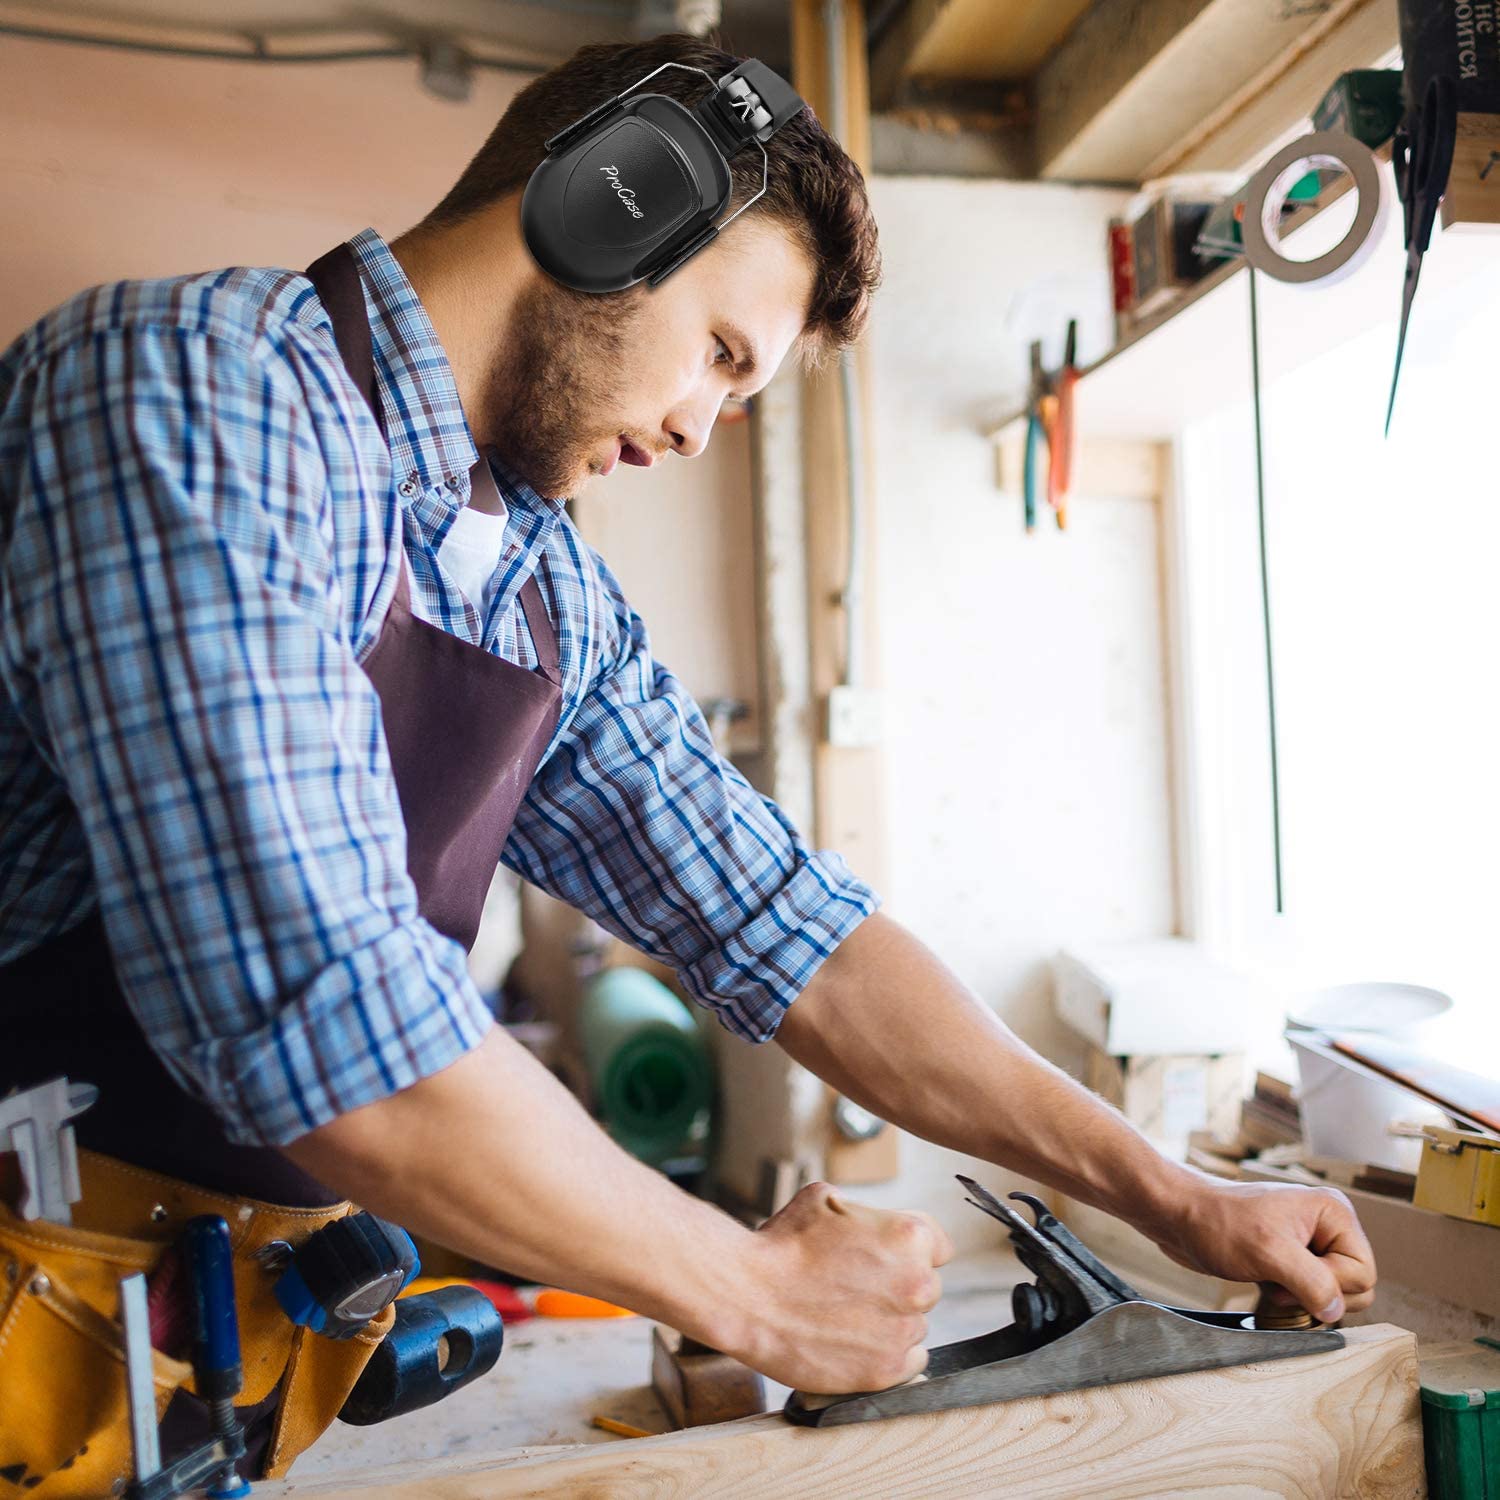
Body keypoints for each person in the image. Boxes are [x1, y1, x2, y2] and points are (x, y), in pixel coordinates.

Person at [0, 30, 1375, 1491]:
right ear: (608, 203)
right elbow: (327, 1019)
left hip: (168, 1368)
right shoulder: (193, 396)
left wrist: (1171, 1195)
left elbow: (794, 935)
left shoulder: (535, 582)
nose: (694, 431)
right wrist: (750, 1289)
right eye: (721, 353)